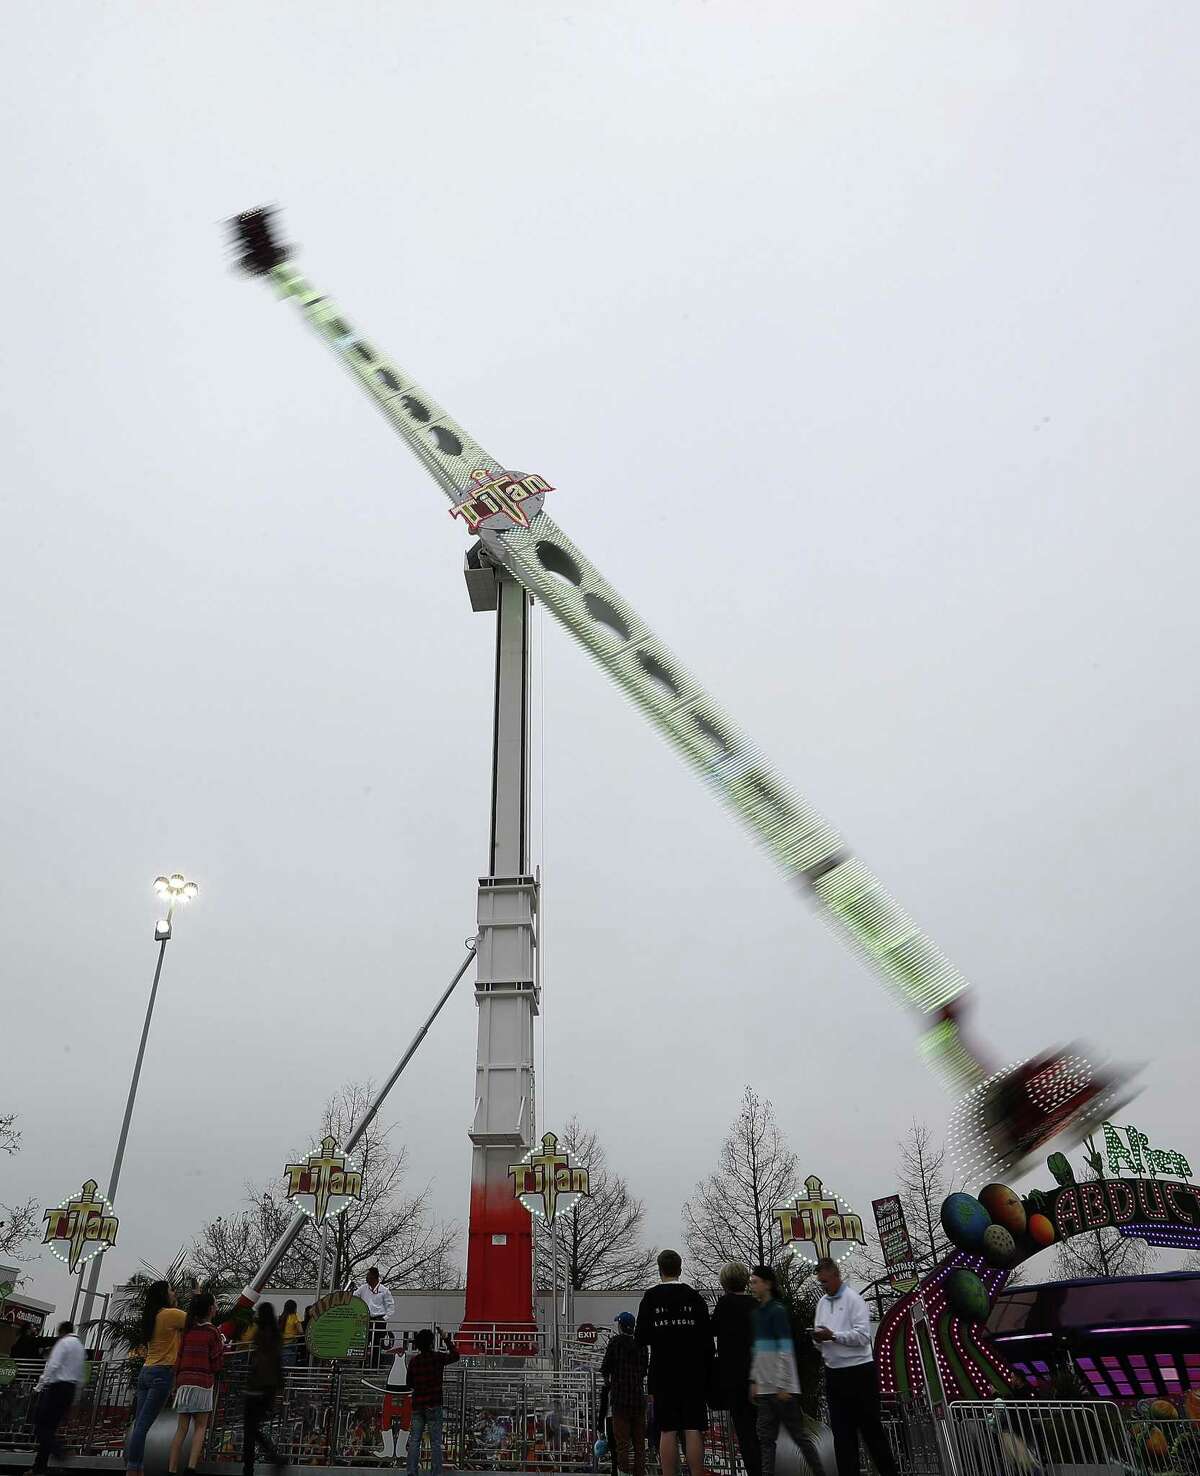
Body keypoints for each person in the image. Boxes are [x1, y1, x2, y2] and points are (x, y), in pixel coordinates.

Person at [812, 1258, 897, 1476]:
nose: (823, 1286)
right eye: (820, 1282)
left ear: (836, 1276)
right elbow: (821, 1338)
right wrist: (818, 1340)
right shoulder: (822, 1303)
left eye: (825, 1281)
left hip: (859, 1372)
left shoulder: (854, 1299)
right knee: (842, 1437)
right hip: (834, 1374)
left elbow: (862, 1336)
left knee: (871, 1432)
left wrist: (834, 1336)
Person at [634, 1250, 710, 1476]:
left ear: (660, 1270)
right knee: (692, 1427)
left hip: (662, 1371)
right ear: (680, 1268)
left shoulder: (651, 1297)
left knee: (667, 1429)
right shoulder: (694, 1297)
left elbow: (640, 1338)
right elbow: (707, 1339)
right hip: (692, 1371)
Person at [748, 1266, 825, 1476]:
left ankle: (819, 1471)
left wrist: (782, 1383)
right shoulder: (758, 1314)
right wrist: (754, 1380)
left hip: (781, 1388)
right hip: (765, 1387)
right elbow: (757, 1350)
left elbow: (785, 1348)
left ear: (767, 1284)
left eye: (755, 1282)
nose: (752, 1286)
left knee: (797, 1436)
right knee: (766, 1438)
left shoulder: (777, 1311)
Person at [126, 1281, 186, 1476]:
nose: (174, 1292)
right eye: (171, 1290)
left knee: (140, 1424)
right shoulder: (170, 1314)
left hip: (146, 1371)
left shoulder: (152, 1316)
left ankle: (137, 1468)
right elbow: (196, 1321)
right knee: (143, 1425)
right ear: (163, 1295)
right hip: (162, 1373)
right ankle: (133, 1468)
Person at [710, 1264, 761, 1476]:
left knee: (744, 1433)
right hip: (758, 1375)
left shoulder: (724, 1305)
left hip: (733, 1377)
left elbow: (711, 1329)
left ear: (725, 1283)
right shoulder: (756, 1305)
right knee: (760, 1432)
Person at [168, 1293, 224, 1476]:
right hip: (202, 1383)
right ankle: (191, 1467)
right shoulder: (213, 1332)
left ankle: (172, 1469)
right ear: (210, 1309)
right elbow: (216, 1362)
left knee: (181, 1429)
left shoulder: (188, 1330)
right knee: (200, 1426)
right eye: (215, 1305)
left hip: (184, 1383)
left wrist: (176, 1383)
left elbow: (179, 1357)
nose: (217, 1308)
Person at [28, 1320, 84, 1474]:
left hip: (57, 1388)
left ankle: (59, 1450)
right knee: (49, 1429)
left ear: (62, 1332)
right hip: (70, 1389)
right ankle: (39, 1467)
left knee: (40, 1427)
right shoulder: (80, 1347)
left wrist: (39, 1386)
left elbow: (52, 1365)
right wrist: (76, 1398)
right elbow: (80, 1374)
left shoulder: (63, 1343)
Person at [404, 1326, 459, 1476]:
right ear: (431, 1342)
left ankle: (412, 1472)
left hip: (418, 1405)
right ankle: (435, 1473)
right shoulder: (437, 1358)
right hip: (434, 1404)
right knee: (435, 1442)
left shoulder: (414, 1361)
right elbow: (455, 1356)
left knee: (415, 1440)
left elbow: (409, 1383)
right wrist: (446, 1338)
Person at [601, 1312, 647, 1476]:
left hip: (620, 1400)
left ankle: (624, 1473)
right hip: (638, 1399)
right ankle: (640, 1472)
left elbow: (605, 1368)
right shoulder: (642, 1344)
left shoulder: (615, 1343)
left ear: (620, 1326)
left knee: (622, 1444)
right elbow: (644, 1370)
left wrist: (609, 1383)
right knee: (639, 1443)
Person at [242, 1303, 285, 1476]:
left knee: (250, 1430)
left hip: (254, 1387)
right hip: (268, 1389)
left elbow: (254, 1359)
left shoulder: (259, 1334)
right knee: (253, 1429)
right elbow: (278, 1363)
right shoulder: (276, 1336)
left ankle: (250, 1466)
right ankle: (272, 1456)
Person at [353, 1268, 395, 1363]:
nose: (366, 1278)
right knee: (363, 1343)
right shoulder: (363, 1288)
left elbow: (391, 1307)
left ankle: (374, 1365)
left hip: (379, 1320)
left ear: (374, 1277)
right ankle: (361, 1364)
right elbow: (354, 1297)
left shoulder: (384, 1290)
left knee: (377, 1344)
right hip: (365, 1319)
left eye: (368, 1276)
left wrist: (384, 1318)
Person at [279, 1301, 303, 1366]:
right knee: (290, 1365)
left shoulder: (282, 1317)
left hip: (281, 1343)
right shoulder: (294, 1317)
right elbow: (301, 1330)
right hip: (291, 1343)